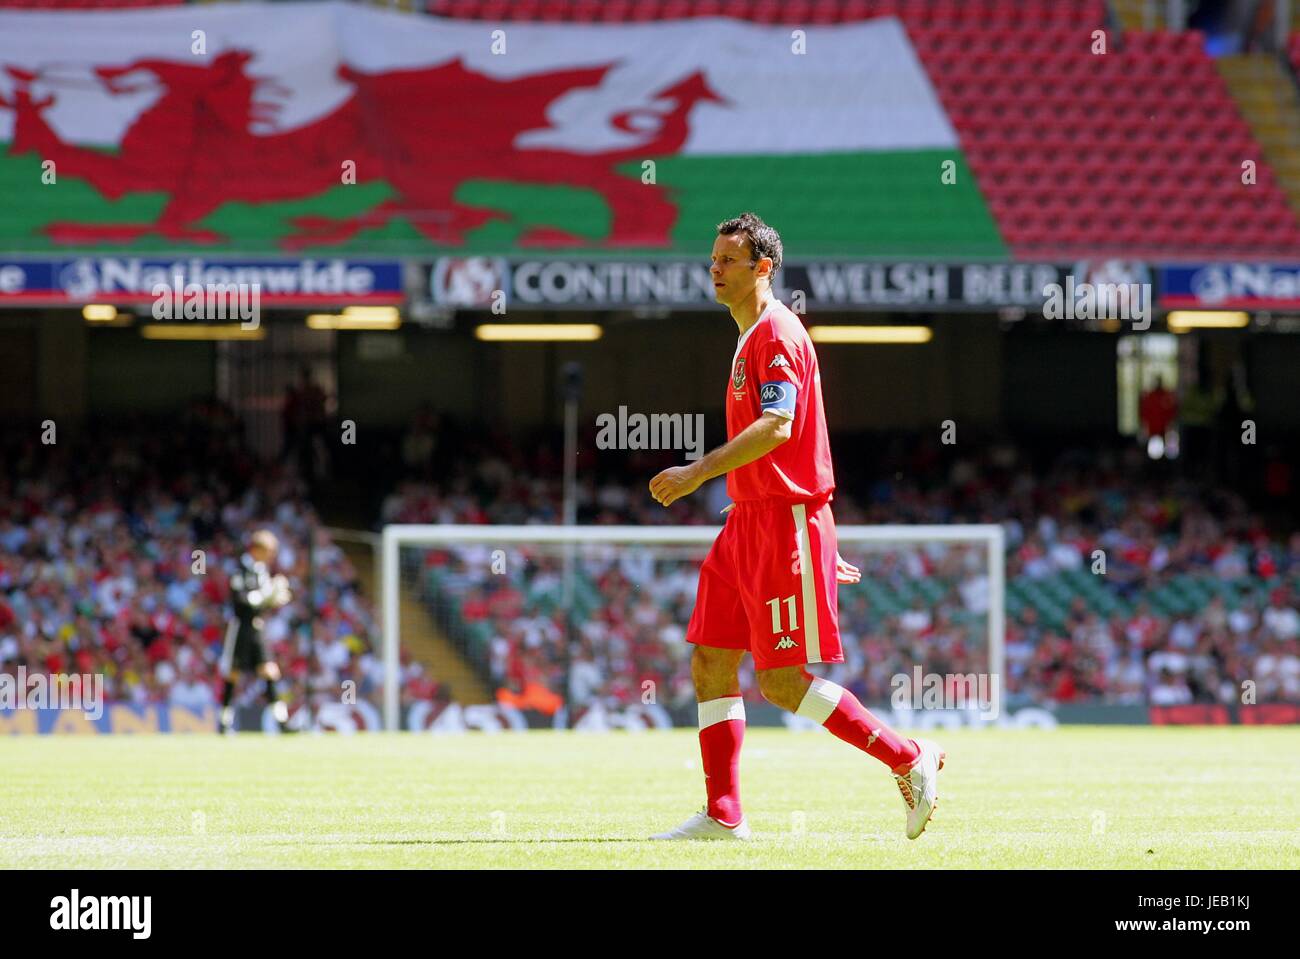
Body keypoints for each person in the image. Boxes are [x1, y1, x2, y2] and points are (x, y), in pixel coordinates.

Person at [648, 213, 944, 841]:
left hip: (782, 523)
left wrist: (700, 473)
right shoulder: (749, 335)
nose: (715, 270)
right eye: (713, 259)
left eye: (729, 260)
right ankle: (723, 814)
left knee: (781, 682)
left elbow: (779, 426)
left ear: (764, 267)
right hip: (750, 524)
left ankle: (908, 757)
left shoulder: (776, 335)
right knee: (710, 661)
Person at [219, 529, 293, 733]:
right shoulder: (240, 568)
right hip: (241, 627)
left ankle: (282, 721)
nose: (271, 556)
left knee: (269, 670)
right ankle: (224, 720)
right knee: (233, 673)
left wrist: (270, 600)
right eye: (269, 551)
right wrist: (265, 595)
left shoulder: (261, 570)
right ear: (257, 549)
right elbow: (239, 600)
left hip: (257, 626)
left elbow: (259, 604)